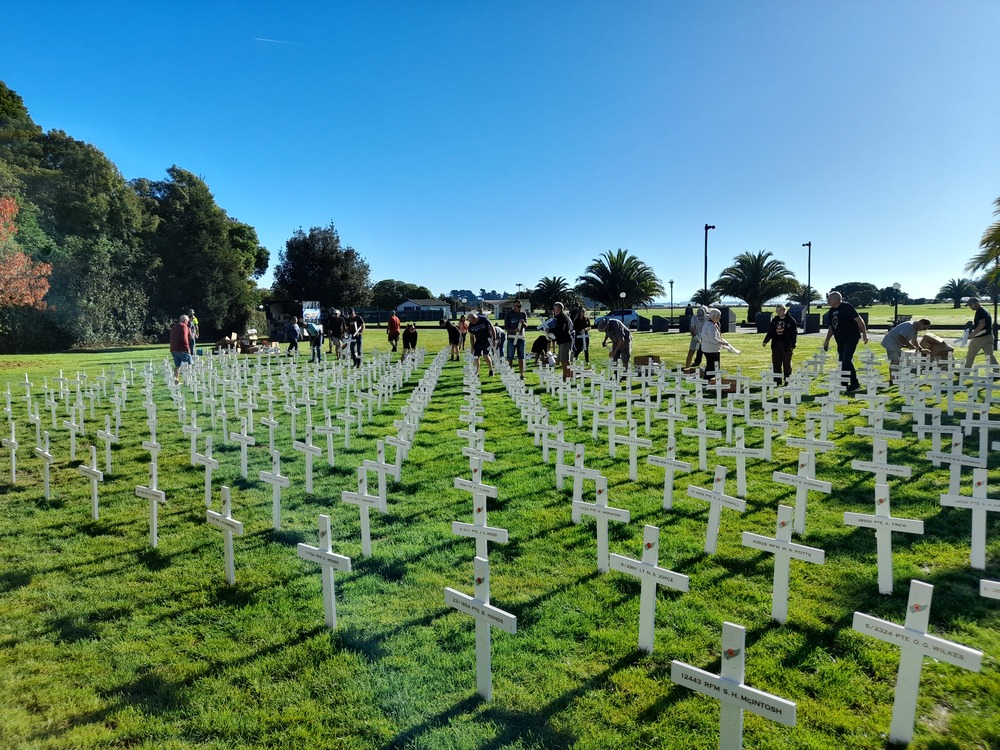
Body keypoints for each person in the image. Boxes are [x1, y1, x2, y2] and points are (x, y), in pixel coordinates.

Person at [822, 291, 868, 393]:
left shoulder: (847, 307)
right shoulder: (831, 312)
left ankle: (855, 384)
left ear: (836, 299)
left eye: (829, 299)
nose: (828, 301)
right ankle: (844, 383)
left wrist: (864, 334)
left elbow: (860, 321)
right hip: (840, 340)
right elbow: (831, 327)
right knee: (842, 361)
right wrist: (827, 340)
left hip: (851, 338)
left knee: (846, 359)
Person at [882, 317, 931, 385]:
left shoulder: (915, 329)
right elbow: (901, 337)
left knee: (899, 361)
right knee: (895, 361)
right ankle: (892, 380)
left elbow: (914, 341)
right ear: (920, 323)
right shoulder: (909, 326)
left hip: (897, 344)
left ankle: (896, 378)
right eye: (924, 328)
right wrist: (909, 345)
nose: (923, 330)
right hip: (891, 342)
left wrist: (921, 349)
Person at [762, 304, 798, 386]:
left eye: (780, 310)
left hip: (786, 344)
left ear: (784, 310)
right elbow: (770, 332)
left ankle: (787, 380)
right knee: (776, 363)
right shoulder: (775, 320)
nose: (778, 312)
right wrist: (766, 341)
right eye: (777, 310)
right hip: (776, 344)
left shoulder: (791, 321)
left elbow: (794, 334)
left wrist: (793, 345)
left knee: (786, 363)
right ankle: (777, 380)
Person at [964, 298, 998, 370]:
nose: (970, 307)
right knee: (990, 356)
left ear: (976, 303)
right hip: (989, 336)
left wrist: (973, 334)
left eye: (971, 305)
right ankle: (997, 372)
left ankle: (965, 371)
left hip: (980, 338)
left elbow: (982, 324)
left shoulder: (980, 311)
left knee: (970, 354)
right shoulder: (985, 310)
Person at [700, 308, 730, 380]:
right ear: (713, 316)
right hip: (710, 350)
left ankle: (712, 380)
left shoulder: (712, 324)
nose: (720, 317)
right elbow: (713, 340)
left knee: (713, 366)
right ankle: (708, 381)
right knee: (712, 367)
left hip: (712, 349)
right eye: (718, 316)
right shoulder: (710, 326)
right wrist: (724, 343)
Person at [504, 299, 528, 378]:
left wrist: (523, 323)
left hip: (521, 338)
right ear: (514, 306)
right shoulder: (509, 314)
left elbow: (526, 326)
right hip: (511, 337)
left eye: (521, 306)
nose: (520, 307)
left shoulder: (523, 314)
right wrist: (513, 330)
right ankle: (510, 374)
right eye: (518, 306)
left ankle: (522, 374)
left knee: (521, 357)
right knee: (510, 357)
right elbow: (506, 327)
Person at [550, 301, 574, 380]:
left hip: (565, 341)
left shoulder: (561, 317)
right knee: (562, 360)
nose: (553, 310)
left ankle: (568, 376)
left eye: (555, 308)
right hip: (562, 340)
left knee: (565, 360)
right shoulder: (559, 316)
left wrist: (549, 330)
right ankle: (565, 375)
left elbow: (560, 329)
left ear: (559, 309)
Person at [467, 311, 496, 376]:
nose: (471, 323)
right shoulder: (471, 325)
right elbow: (472, 336)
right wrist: (472, 346)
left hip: (487, 340)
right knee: (476, 356)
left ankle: (491, 370)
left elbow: (492, 327)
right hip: (478, 341)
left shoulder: (483, 319)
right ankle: (476, 372)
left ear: (474, 318)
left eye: (471, 321)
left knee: (485, 355)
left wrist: (494, 339)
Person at [170, 314, 193, 383]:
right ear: (185, 321)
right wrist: (187, 348)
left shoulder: (174, 327)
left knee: (177, 366)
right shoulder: (184, 327)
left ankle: (176, 379)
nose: (188, 323)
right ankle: (188, 380)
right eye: (187, 321)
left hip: (173, 349)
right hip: (181, 349)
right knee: (189, 363)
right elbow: (184, 338)